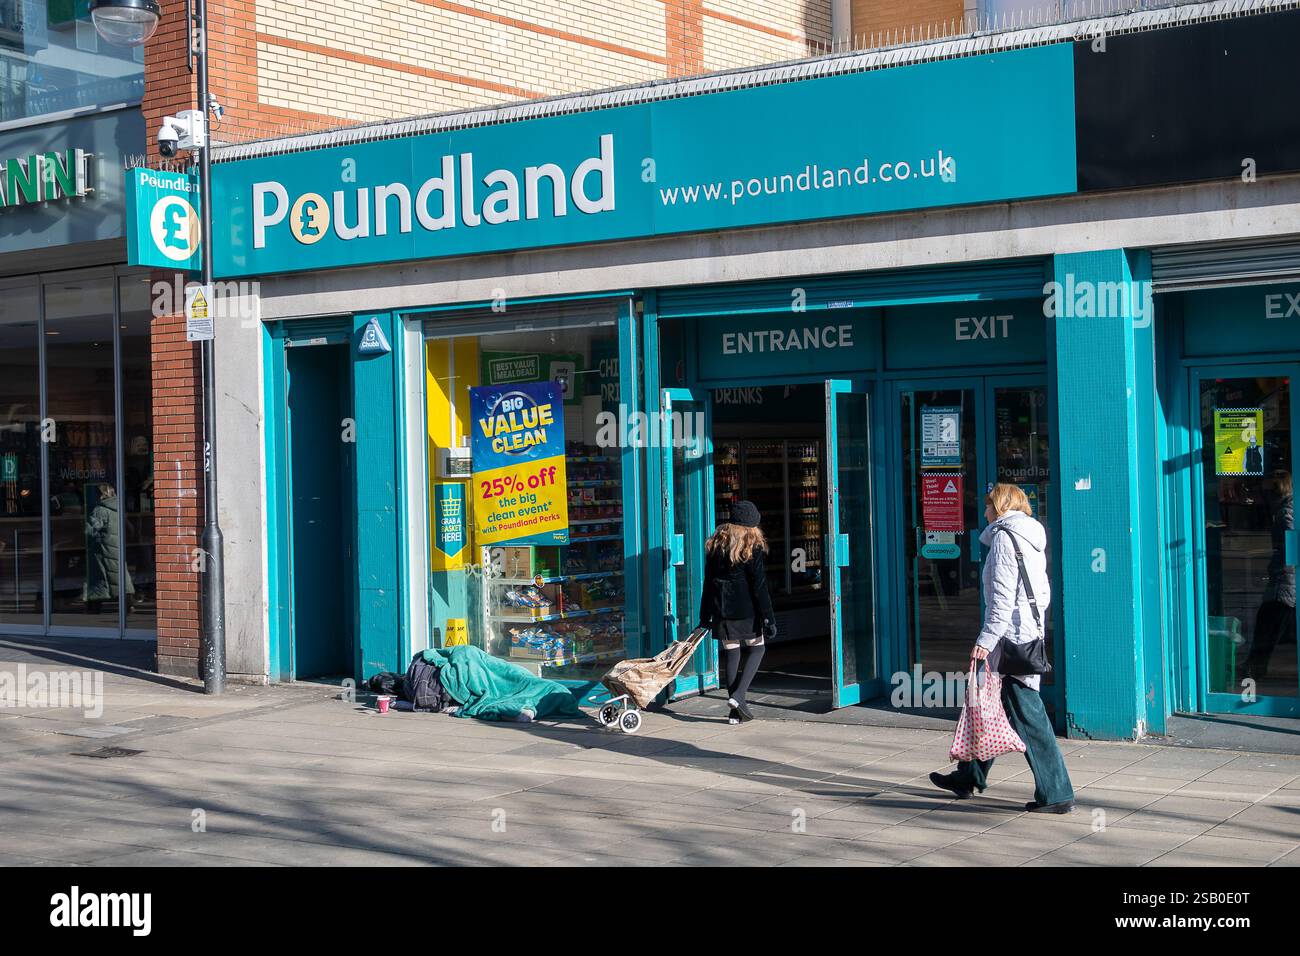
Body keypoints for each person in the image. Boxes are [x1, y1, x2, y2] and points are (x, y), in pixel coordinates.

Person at [930, 482, 1075, 813]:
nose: (983, 512)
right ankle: (968, 776)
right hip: (1024, 634)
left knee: (1029, 717)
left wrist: (985, 641)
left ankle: (1057, 792)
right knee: (992, 708)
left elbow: (1001, 600)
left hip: (1010, 641)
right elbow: (1041, 592)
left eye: (988, 505)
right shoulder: (1029, 537)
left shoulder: (1004, 541)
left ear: (1001, 506)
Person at [698, 500, 776, 724]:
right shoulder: (752, 546)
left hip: (721, 609)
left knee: (732, 654)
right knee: (758, 649)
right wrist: (769, 617)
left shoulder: (715, 545)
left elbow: (708, 583)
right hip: (747, 609)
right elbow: (759, 586)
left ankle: (735, 714)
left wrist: (704, 616)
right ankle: (739, 696)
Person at [1247, 471, 1295, 686]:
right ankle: (1256, 665)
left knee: (1268, 621)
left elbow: (1290, 541)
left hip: (1286, 575)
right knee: (1273, 621)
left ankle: (1255, 666)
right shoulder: (1288, 507)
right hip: (1285, 574)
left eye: (1271, 489)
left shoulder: (1286, 510)